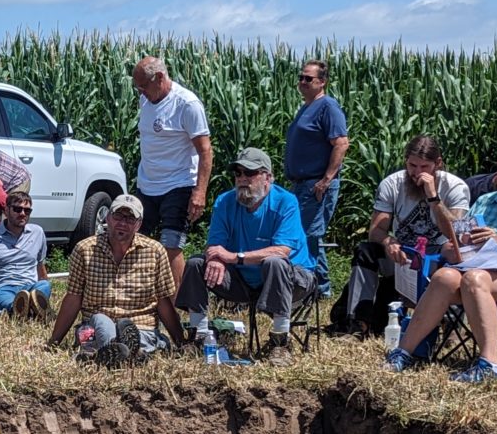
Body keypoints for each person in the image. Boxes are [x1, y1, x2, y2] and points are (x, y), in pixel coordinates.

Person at [385, 141, 497, 384]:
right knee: (444, 277)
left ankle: (489, 363)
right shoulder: (487, 200)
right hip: (476, 267)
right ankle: (404, 352)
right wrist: (456, 247)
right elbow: (457, 240)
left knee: (474, 279)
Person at [176, 148, 316, 366]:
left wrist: (233, 257)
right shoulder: (225, 201)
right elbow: (215, 244)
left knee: (274, 262)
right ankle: (199, 337)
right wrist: (215, 258)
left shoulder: (286, 202)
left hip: (292, 280)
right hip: (242, 280)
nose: (242, 179)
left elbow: (281, 251)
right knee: (196, 263)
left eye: (249, 173)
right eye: (238, 173)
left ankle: (280, 343)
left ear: (267, 177)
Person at [329, 135, 469, 335]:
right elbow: (376, 231)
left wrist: (433, 198)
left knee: (456, 253)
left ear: (437, 164)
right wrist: (388, 241)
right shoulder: (392, 184)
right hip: (402, 253)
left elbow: (456, 233)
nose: (417, 173)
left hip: (438, 255)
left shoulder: (455, 186)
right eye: (412, 166)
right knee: (366, 251)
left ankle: (451, 326)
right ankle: (357, 322)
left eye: (424, 167)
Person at [47, 192, 184, 365]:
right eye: (118, 216)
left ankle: (110, 353)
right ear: (108, 218)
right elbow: (73, 298)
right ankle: (128, 354)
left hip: (140, 327)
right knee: (96, 323)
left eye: (130, 219)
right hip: (93, 327)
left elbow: (164, 301)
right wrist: (54, 341)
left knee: (136, 337)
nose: (122, 223)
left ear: (138, 224)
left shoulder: (155, 251)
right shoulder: (84, 250)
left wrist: (180, 340)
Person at [131, 56, 212, 289]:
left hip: (178, 184)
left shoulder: (187, 104)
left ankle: (177, 302)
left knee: (171, 244)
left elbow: (205, 151)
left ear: (159, 77)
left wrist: (200, 192)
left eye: (144, 86)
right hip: (147, 185)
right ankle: (143, 295)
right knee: (138, 241)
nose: (141, 92)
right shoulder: (145, 100)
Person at [283, 60, 349, 297]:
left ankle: (319, 288)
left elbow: (341, 143)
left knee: (309, 234)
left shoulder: (327, 106)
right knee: (305, 234)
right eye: (301, 77)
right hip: (302, 183)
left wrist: (326, 179)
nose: (302, 82)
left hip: (316, 184)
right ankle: (315, 285)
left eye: (308, 78)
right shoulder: (307, 107)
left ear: (322, 82)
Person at [0, 192, 50, 319]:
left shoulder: (37, 232)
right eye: (17, 209)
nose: (22, 213)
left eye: (27, 211)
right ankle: (29, 310)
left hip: (30, 286)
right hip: (1, 289)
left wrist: (44, 283)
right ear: (6, 210)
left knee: (45, 285)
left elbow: (40, 265)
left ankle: (21, 311)